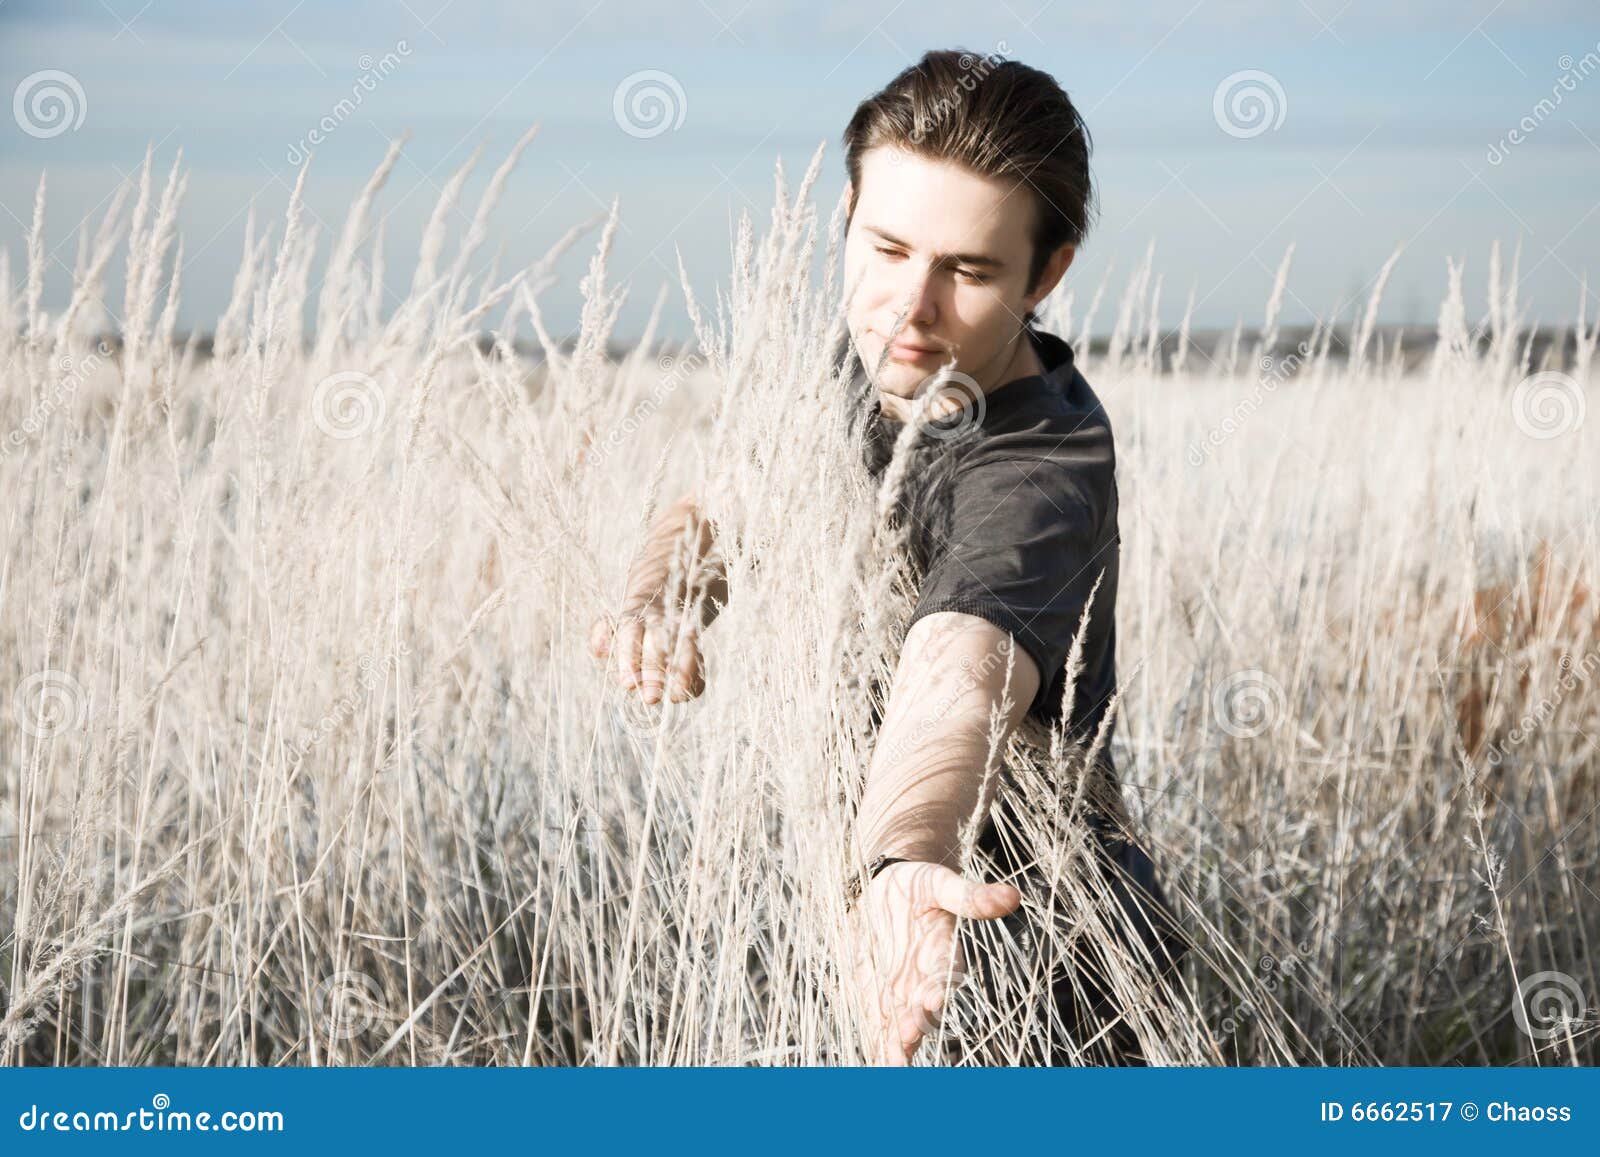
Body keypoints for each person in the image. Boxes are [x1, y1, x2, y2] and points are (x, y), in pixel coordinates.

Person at [590, 48, 1187, 1066]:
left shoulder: (1042, 464)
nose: (910, 308)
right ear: (848, 215)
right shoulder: (855, 355)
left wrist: (906, 854)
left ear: (1048, 271)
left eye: (967, 270)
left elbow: (956, 669)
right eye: (886, 247)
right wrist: (665, 596)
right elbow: (720, 495)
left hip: (1036, 965)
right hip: (866, 932)